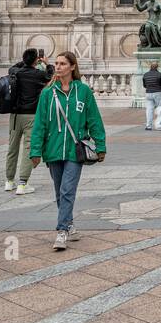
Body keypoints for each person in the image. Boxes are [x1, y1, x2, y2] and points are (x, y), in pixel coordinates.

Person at [29, 50, 107, 250]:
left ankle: (62, 230)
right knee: (59, 191)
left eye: (63, 63)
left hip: (75, 150)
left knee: (67, 190)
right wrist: (35, 151)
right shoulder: (48, 93)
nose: (58, 66)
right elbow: (39, 124)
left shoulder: (83, 91)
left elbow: (94, 120)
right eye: (56, 63)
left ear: (72, 67)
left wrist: (100, 145)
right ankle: (70, 223)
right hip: (53, 148)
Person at [5, 48, 49, 194]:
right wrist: (46, 63)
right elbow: (51, 75)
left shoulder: (15, 72)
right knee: (28, 148)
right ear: (37, 60)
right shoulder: (38, 74)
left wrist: (25, 61)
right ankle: (23, 183)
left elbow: (13, 67)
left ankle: (9, 181)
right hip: (31, 115)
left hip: (15, 115)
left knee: (12, 148)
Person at [142, 60, 161, 131]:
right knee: (160, 108)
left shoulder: (145, 75)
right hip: (158, 92)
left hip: (148, 93)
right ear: (157, 67)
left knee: (149, 110)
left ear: (150, 67)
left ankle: (148, 126)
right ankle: (159, 126)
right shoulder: (160, 74)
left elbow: (144, 85)